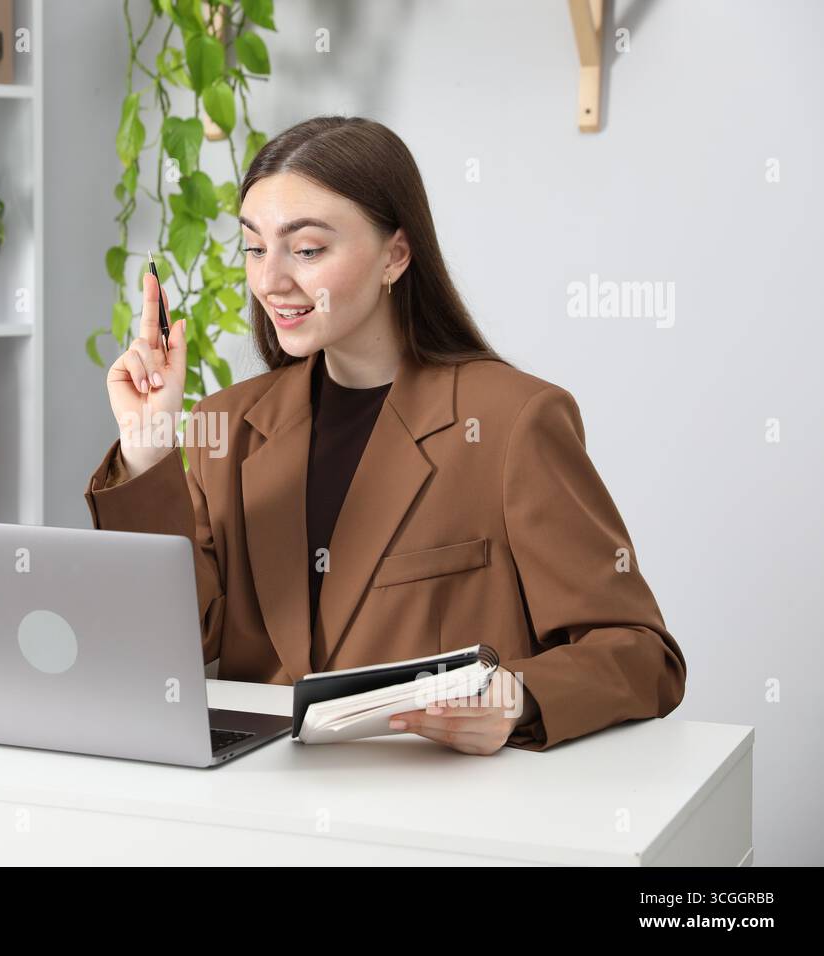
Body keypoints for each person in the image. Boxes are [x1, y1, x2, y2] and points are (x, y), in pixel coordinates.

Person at [85, 116, 685, 755]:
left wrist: (517, 696)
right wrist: (148, 449)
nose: (270, 281)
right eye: (255, 248)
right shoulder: (226, 428)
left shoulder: (513, 422)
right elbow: (170, 641)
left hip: (439, 819)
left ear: (395, 255)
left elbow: (641, 653)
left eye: (307, 250)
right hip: (258, 808)